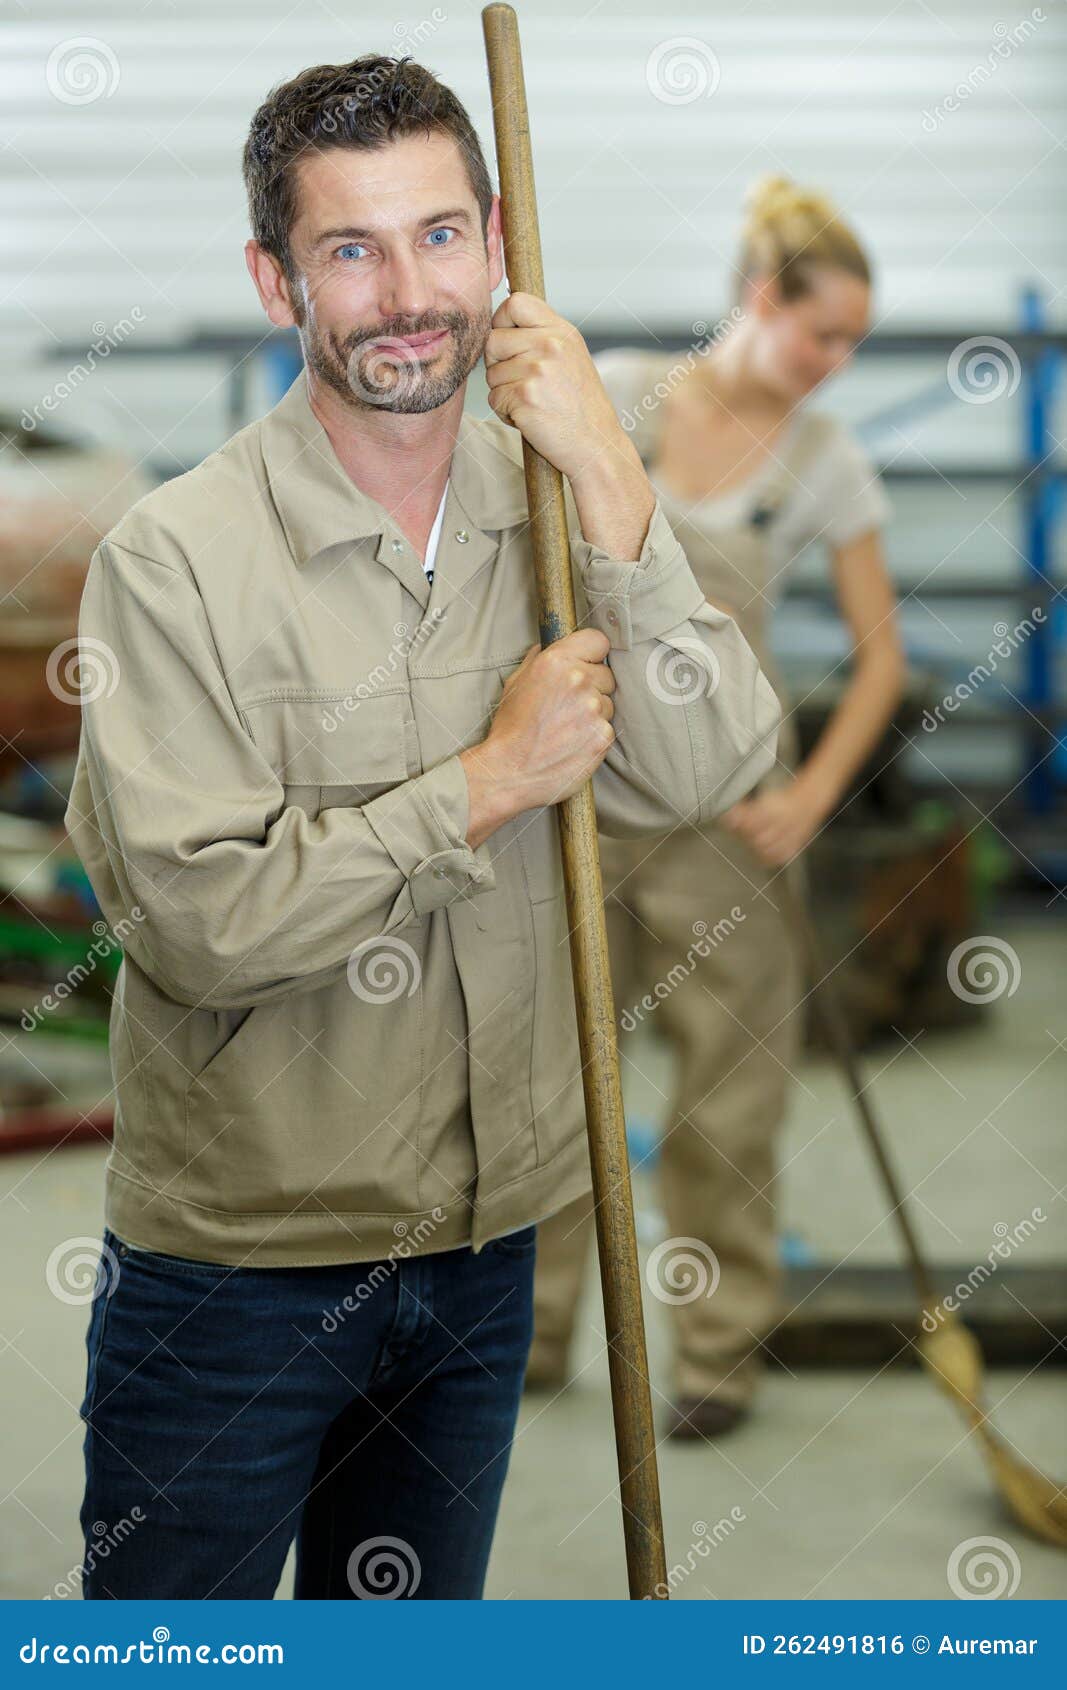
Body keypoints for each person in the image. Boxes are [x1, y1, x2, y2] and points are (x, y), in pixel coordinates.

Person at [62, 58, 782, 1599]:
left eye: (440, 237)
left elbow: (714, 760)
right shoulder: (171, 561)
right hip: (236, 1272)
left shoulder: (554, 502)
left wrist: (605, 467)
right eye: (350, 249)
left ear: (498, 244)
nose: (407, 293)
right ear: (275, 279)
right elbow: (195, 928)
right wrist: (482, 783)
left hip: (482, 1252)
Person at [529, 176, 905, 1439]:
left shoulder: (822, 459)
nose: (834, 363)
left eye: (854, 342)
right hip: (581, 791)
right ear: (761, 299)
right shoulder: (624, 389)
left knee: (726, 1098)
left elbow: (881, 657)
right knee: (556, 1075)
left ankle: (713, 1352)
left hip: (729, 820)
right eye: (823, 333)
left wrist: (805, 795)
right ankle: (525, 1334)